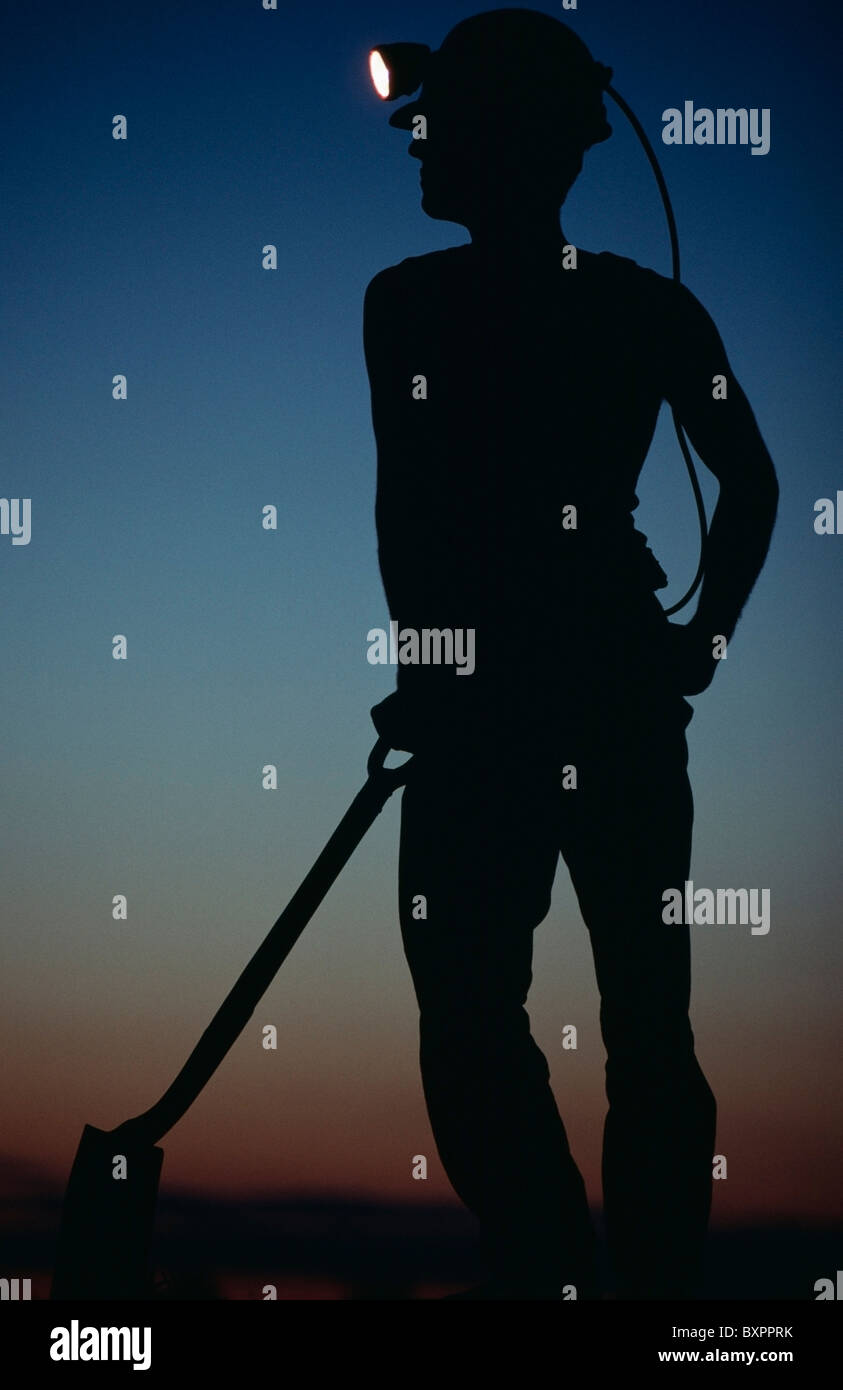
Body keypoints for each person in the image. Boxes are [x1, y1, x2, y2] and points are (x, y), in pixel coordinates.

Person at [363, 9, 778, 1299]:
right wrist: (694, 642)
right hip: (603, 691)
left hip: (519, 707)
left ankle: (574, 1285)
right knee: (626, 1023)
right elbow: (750, 486)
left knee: (508, 1020)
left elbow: (413, 518)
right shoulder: (643, 312)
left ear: (509, 144)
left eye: (436, 126)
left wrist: (442, 667)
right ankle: (597, 1289)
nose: (415, 146)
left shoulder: (411, 307)